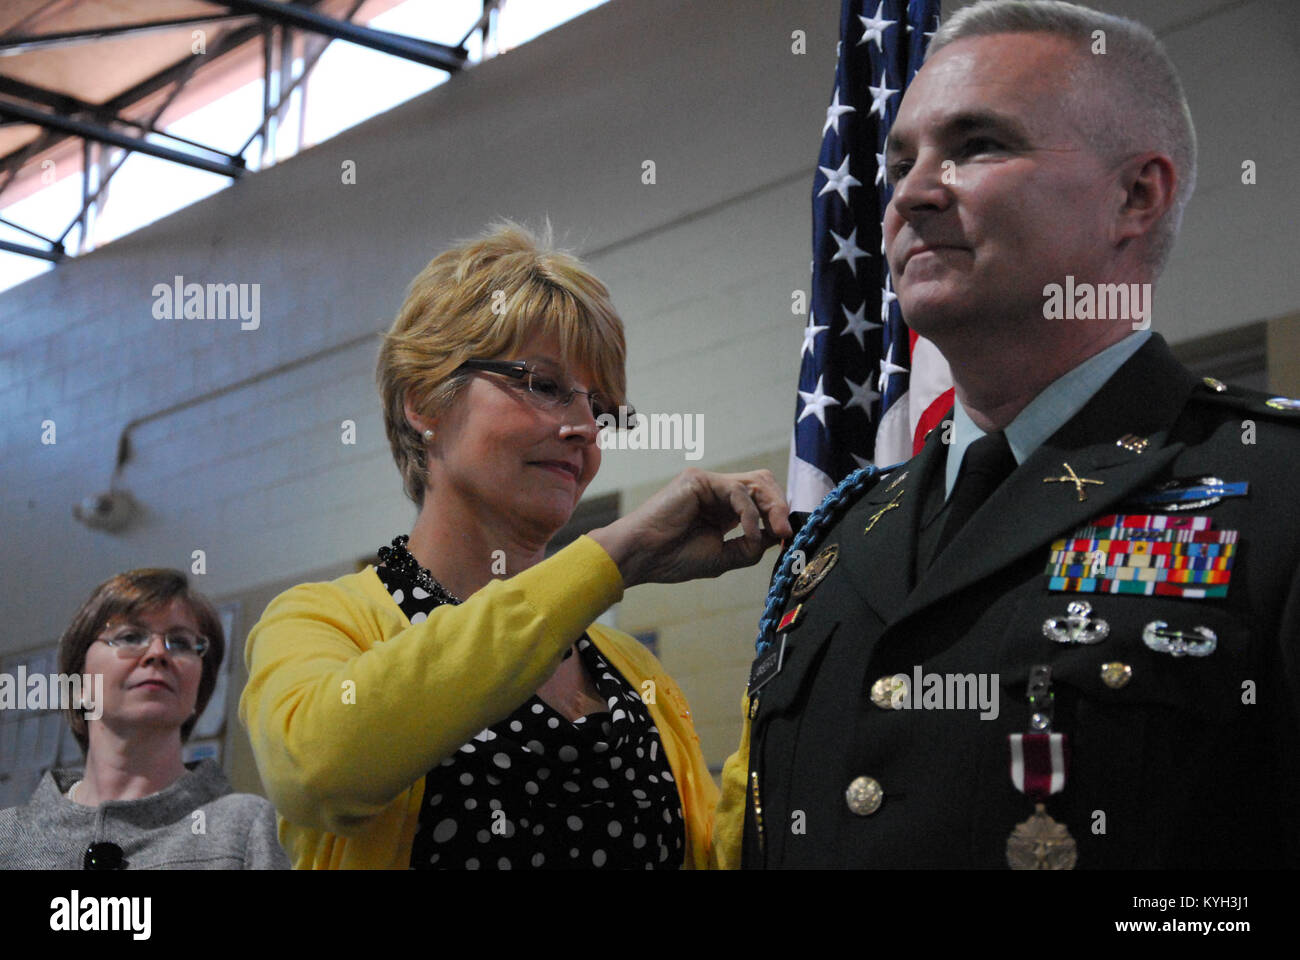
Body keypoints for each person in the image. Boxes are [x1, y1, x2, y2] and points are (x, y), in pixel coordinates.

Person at [715, 0, 1300, 869]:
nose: (911, 192)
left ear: (1135, 196)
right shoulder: (834, 541)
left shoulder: (1277, 493)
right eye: (900, 159)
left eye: (978, 146)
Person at [240, 222, 790, 869]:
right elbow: (320, 768)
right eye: (543, 384)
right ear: (425, 401)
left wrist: (791, 672)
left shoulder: (632, 671)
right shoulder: (322, 620)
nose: (583, 427)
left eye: (599, 406)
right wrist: (611, 558)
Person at [0, 569, 289, 869]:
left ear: (198, 693)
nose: (158, 653)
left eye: (180, 642)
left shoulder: (246, 828)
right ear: (79, 686)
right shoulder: (7, 839)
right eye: (129, 636)